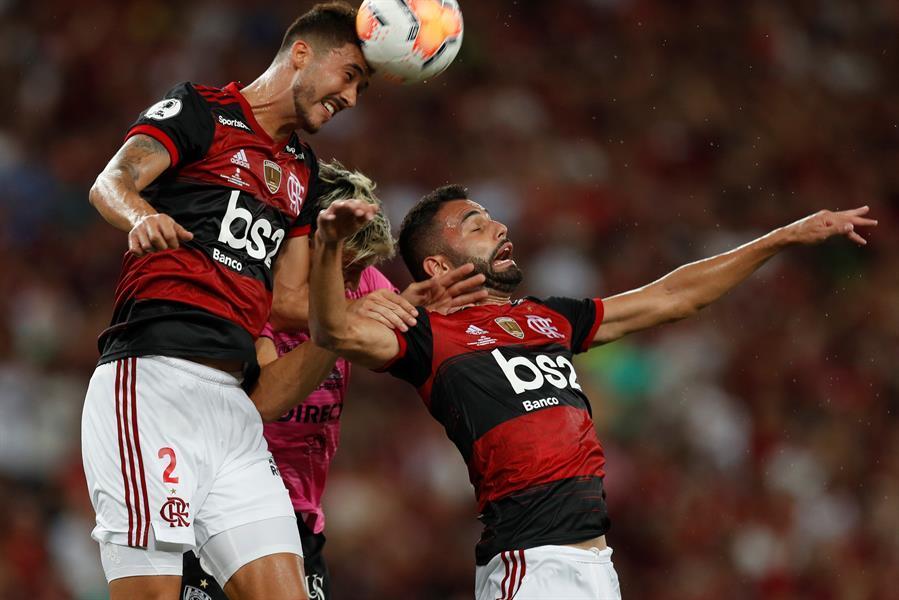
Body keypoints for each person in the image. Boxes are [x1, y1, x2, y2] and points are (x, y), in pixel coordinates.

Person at [306, 187, 877, 600]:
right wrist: (330, 247)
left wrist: (782, 237)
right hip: (532, 564)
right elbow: (332, 332)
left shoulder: (549, 317)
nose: (500, 228)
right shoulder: (424, 336)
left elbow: (674, 297)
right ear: (437, 262)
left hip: (596, 567)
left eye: (493, 218)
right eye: (476, 224)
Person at [81, 4, 374, 599]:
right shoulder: (201, 110)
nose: (351, 97)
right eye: (348, 75)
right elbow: (111, 181)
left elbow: (291, 302)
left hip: (233, 406)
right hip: (153, 381)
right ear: (301, 54)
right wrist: (142, 217)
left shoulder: (303, 171)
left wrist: (333, 252)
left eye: (362, 88)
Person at [180, 160, 477, 600]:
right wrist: (341, 326)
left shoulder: (361, 285)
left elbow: (391, 332)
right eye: (345, 269)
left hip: (301, 515)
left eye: (360, 274)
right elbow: (264, 401)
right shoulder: (249, 288)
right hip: (221, 507)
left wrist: (418, 317)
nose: (353, 286)